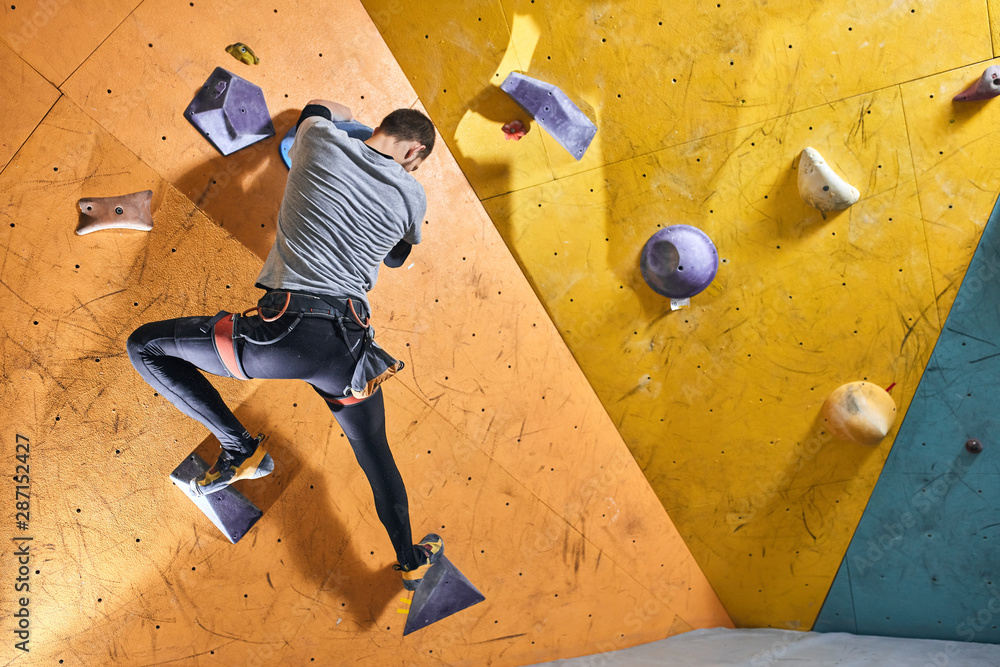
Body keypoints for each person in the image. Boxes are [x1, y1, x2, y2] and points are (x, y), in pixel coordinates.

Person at [126, 101, 442, 590]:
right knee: (376, 454)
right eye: (415, 162)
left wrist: (355, 129)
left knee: (144, 346)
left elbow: (316, 110)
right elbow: (398, 257)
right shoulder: (413, 197)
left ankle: (241, 448)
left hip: (283, 334)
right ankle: (409, 559)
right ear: (415, 151)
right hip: (350, 352)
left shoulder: (319, 139)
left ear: (381, 128)